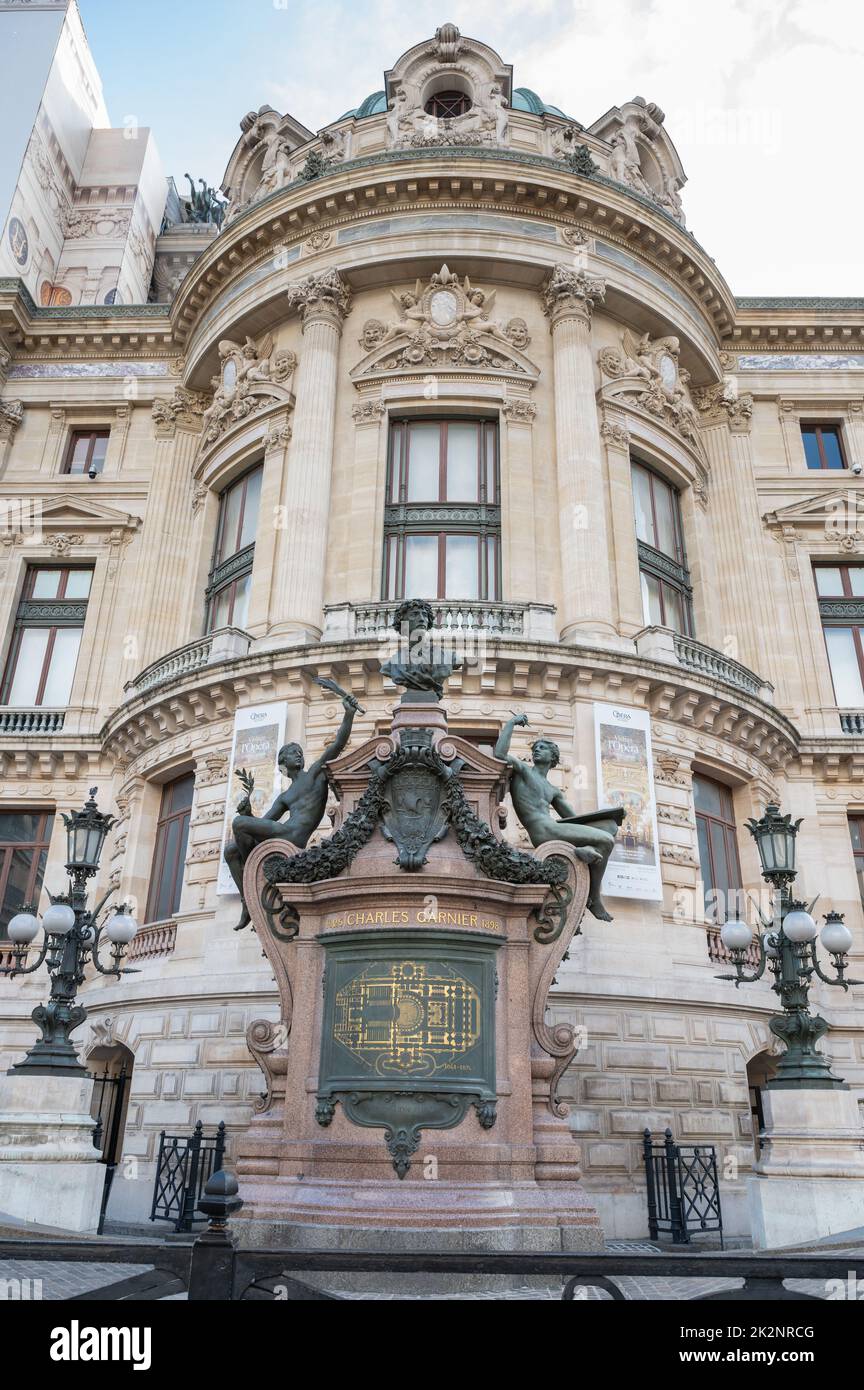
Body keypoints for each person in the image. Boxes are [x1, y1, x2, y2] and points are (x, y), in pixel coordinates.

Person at [223, 695, 359, 928]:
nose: (299, 754)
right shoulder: (284, 796)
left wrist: (349, 713)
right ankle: (248, 899)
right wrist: (249, 814)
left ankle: (253, 875)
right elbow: (262, 825)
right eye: (292, 753)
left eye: (299, 752)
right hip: (283, 831)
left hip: (295, 836)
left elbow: (337, 744)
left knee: (239, 823)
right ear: (283, 765)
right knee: (231, 850)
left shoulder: (315, 773)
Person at [494, 713, 623, 921]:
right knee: (606, 840)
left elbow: (575, 821)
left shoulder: (553, 791)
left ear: (553, 758)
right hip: (543, 831)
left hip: (553, 827)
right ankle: (593, 897)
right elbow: (499, 755)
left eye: (543, 748)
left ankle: (587, 851)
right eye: (535, 748)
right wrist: (510, 723)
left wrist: (608, 818)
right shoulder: (523, 772)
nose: (537, 749)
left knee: (608, 828)